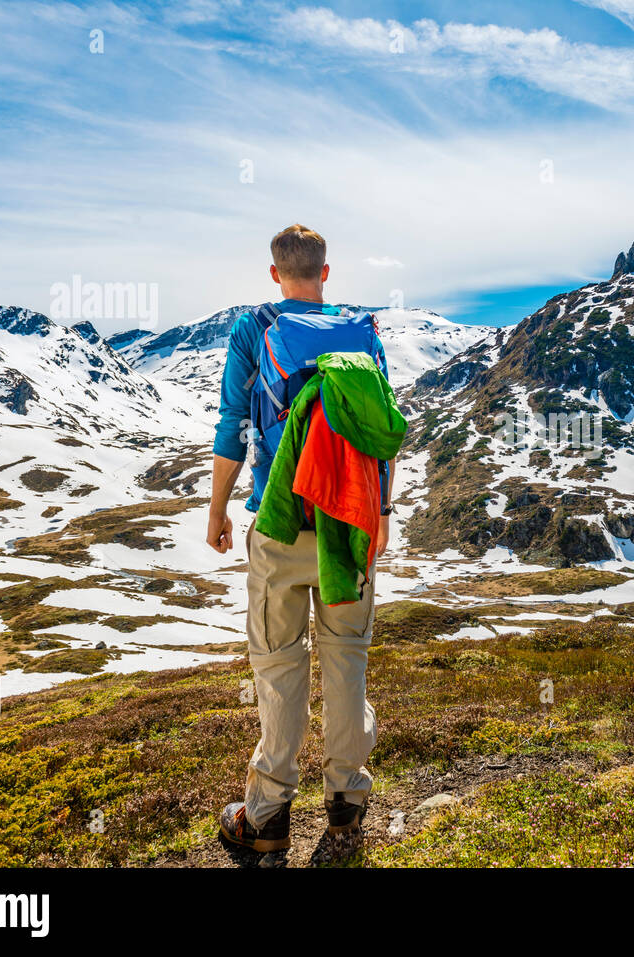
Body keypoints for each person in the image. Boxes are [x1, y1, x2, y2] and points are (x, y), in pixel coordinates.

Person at [207, 224, 395, 855]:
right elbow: (377, 432)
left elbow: (233, 425)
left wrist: (218, 510)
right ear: (326, 273)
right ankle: (346, 799)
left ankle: (265, 816)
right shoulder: (362, 335)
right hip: (347, 527)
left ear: (274, 273)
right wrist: (383, 514)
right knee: (347, 658)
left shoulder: (252, 329)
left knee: (279, 665)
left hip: (280, 521)